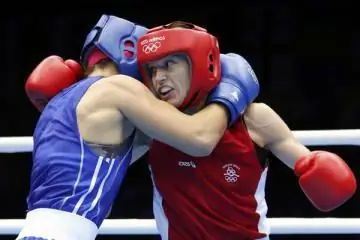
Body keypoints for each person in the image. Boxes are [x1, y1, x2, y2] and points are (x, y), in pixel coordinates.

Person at [19, 15, 259, 240]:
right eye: (151, 67)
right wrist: (229, 94)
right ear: (129, 51)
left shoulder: (61, 102)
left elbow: (137, 146)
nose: (152, 78)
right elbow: (201, 138)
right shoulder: (118, 87)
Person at [136, 22, 358, 239]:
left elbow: (311, 166)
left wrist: (319, 170)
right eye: (153, 69)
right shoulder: (151, 126)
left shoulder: (254, 119)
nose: (159, 77)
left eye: (169, 64)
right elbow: (106, 158)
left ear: (197, 63)